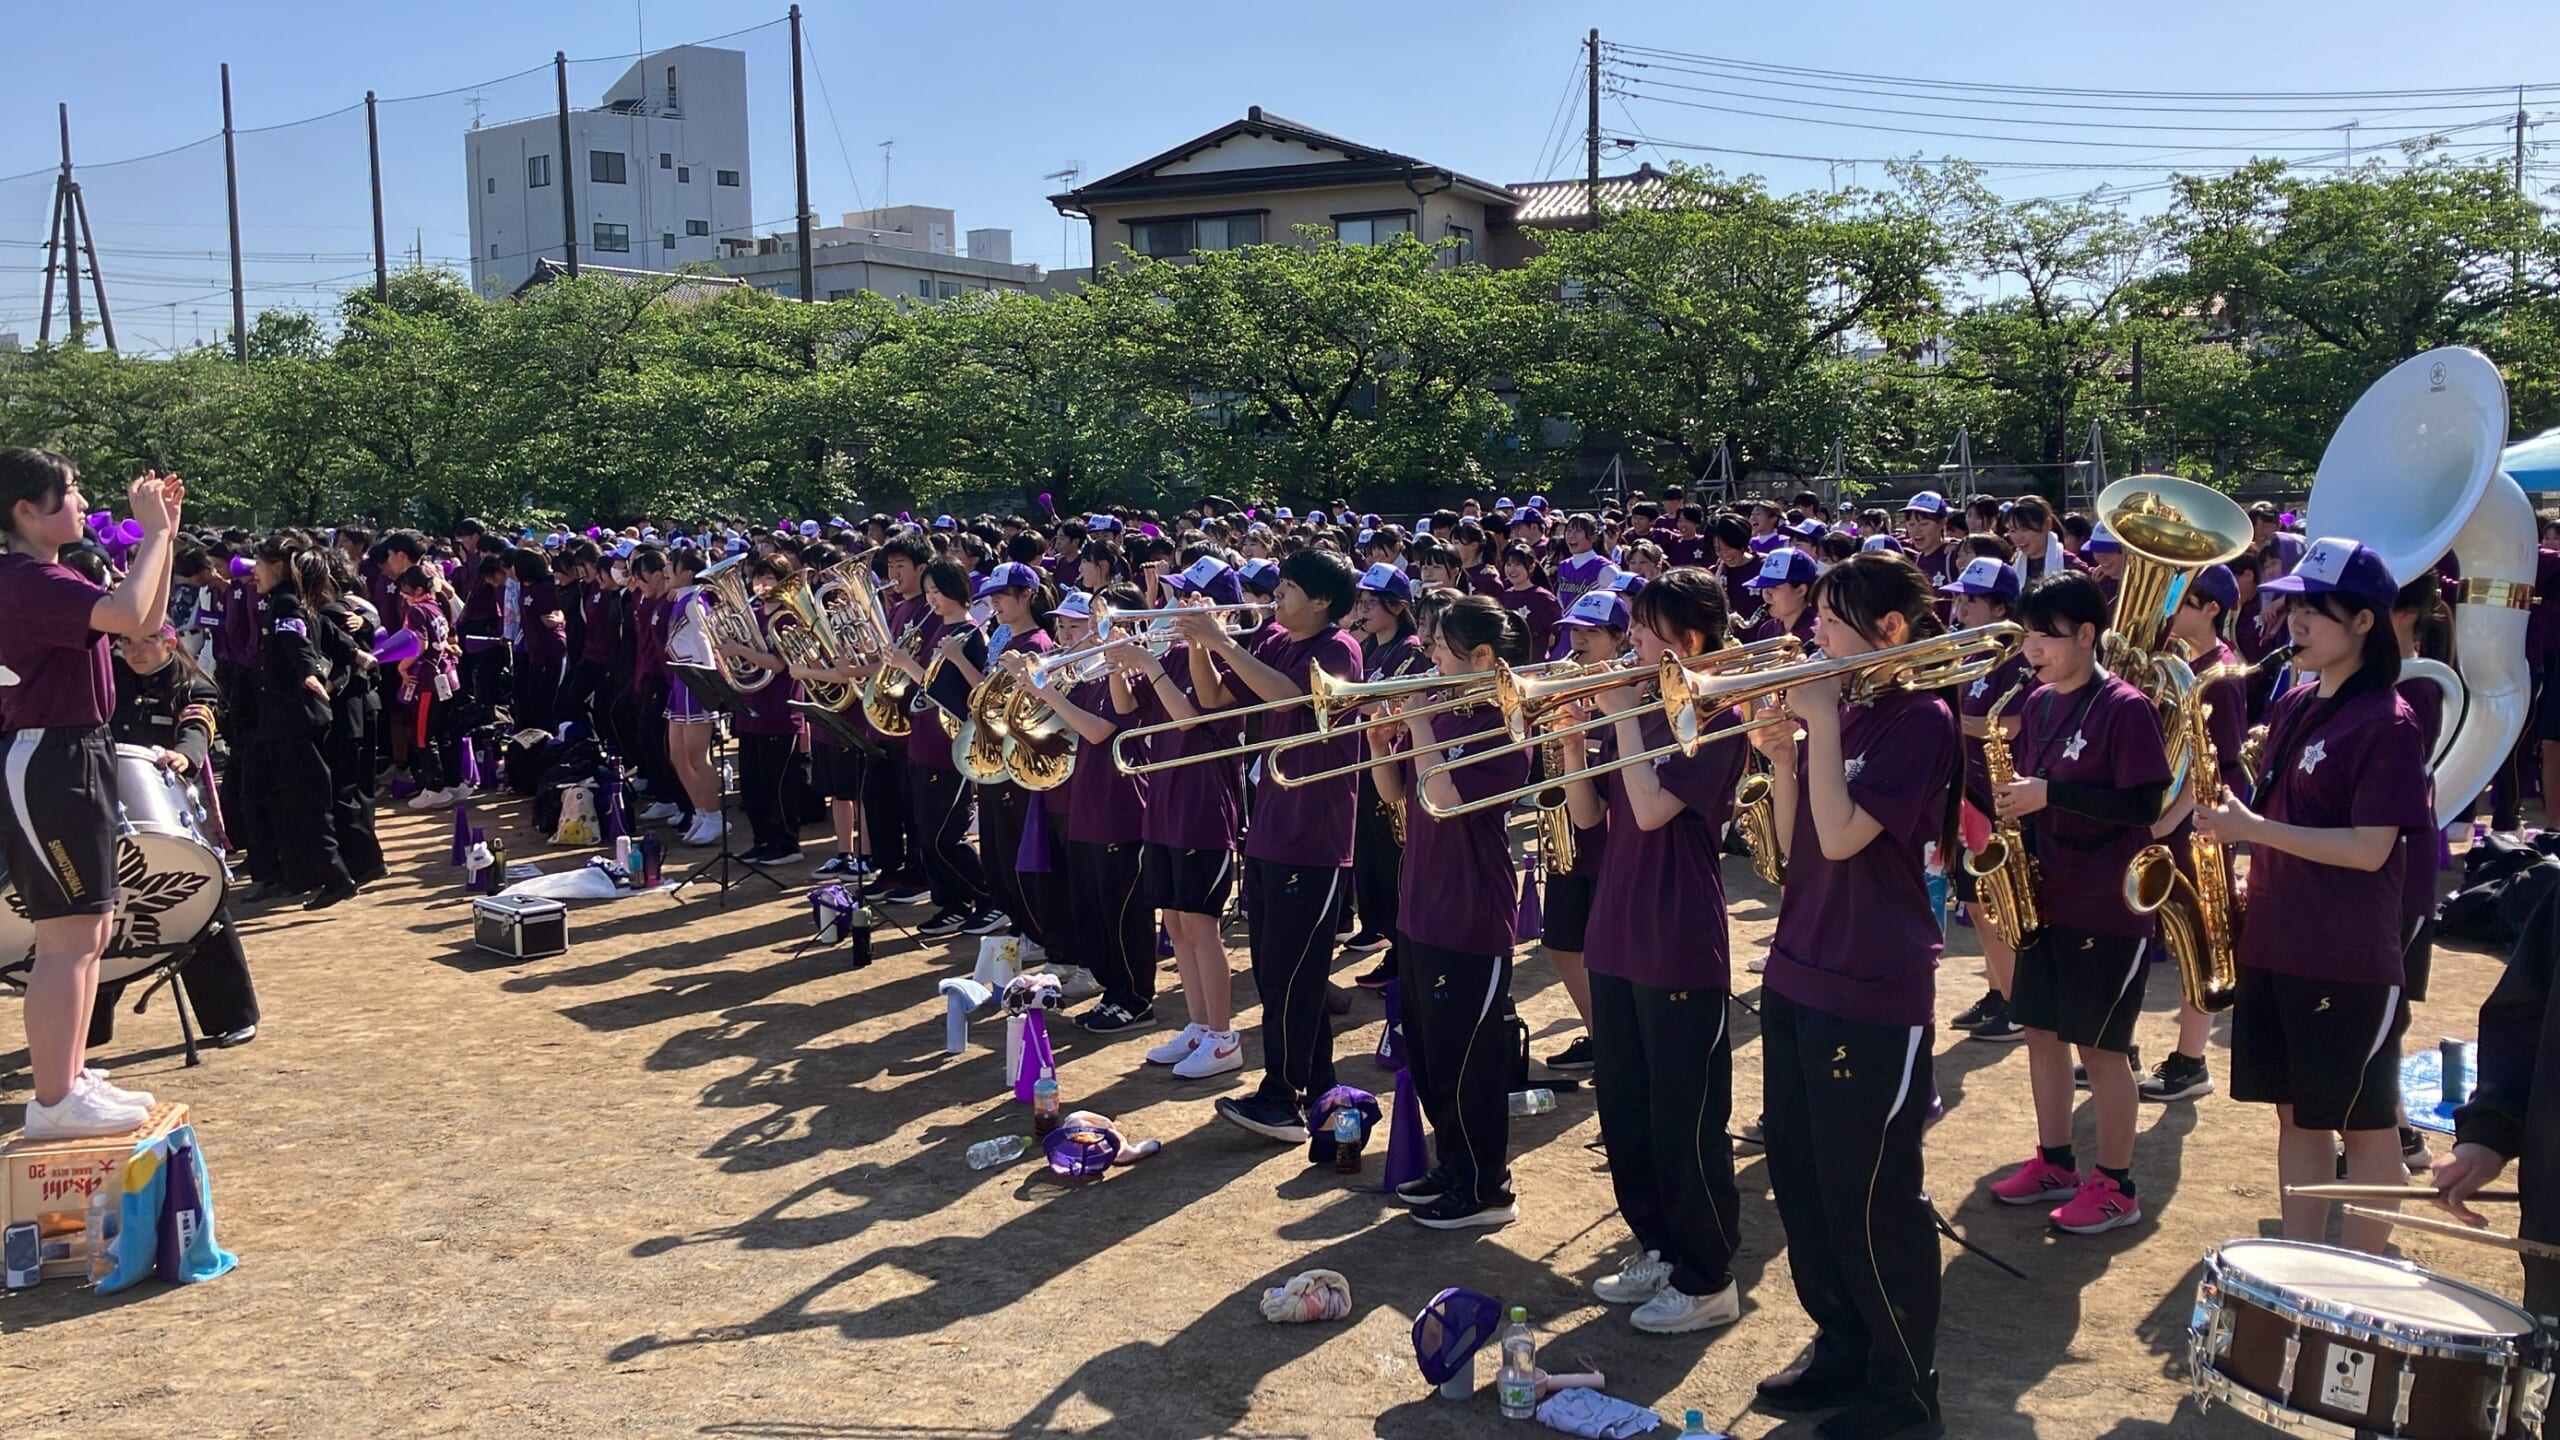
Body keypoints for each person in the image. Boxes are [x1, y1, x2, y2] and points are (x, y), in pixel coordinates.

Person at [1750, 550, 1960, 1439]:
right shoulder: (1856, 710)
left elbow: (1845, 842)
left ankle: (1905, 1388)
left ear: (1891, 632)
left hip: (1872, 978)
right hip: (1800, 964)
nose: (1810, 636)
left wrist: (1822, 722)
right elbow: (1801, 838)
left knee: (1870, 1189)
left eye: (1829, 622)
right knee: (1800, 1178)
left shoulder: (1922, 718)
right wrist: (1784, 756)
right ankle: (1842, 1343)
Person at [2199, 539, 2433, 1255]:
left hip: (2345, 954)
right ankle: (2301, 1259)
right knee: (2294, 1115)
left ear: (2364, 621)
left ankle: (2361, 1273)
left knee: (2363, 1123)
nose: (2293, 621)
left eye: (2315, 610)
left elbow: (2368, 848)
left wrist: (2252, 827)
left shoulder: (2389, 722)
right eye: (2293, 606)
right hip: (2278, 937)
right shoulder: (2299, 703)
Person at [1559, 568, 1752, 1335]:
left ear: (1689, 640)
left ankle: (1707, 1277)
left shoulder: (1716, 715)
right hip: (1616, 926)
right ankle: (1658, 1247)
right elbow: (1590, 817)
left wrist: (1621, 718)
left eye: (1642, 629)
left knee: (1685, 1119)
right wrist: (1575, 742)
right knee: (1628, 1109)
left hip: (1677, 936)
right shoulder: (1634, 710)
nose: (1628, 640)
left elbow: (1650, 807)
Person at [0, 450, 182, 1138]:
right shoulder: (29, 580)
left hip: (74, 751)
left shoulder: (44, 575)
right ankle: (54, 1101)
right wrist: (157, 536)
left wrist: (161, 534)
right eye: (69, 493)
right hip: (50, 755)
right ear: (26, 510)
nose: (81, 504)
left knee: (90, 928)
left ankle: (68, 1077)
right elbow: (130, 609)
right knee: (68, 937)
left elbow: (141, 621)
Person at [1989, 571, 2170, 1235]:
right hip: (2049, 893)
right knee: (2040, 1031)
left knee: (2101, 1047)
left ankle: (2117, 1183)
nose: (2033, 648)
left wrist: (2050, 795)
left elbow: (2145, 805)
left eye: (2048, 635)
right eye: (2028, 634)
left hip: (2106, 899)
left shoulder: (2125, 706)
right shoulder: (2036, 705)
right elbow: (2033, 793)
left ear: (2087, 634)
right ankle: (2056, 1160)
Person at [1369, 595, 1535, 1228]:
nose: (1428, 655)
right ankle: (1453, 1163)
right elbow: (1398, 797)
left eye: (1439, 647)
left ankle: (1487, 1186)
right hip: (1422, 904)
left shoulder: (1504, 722)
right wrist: (1385, 743)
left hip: (1470, 910)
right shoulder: (1442, 711)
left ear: (1483, 656)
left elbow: (1444, 800)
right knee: (1432, 1052)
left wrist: (1417, 724)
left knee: (1470, 1059)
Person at [1194, 550, 1365, 1144]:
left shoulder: (1338, 648)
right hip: (1270, 826)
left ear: (1321, 601)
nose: (1277, 597)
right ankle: (1318, 1084)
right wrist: (1197, 642)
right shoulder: (1273, 642)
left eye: (1289, 587)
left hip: (1312, 832)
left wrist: (1221, 641)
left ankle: (1280, 1095)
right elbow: (1216, 700)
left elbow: (1288, 700)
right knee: (1276, 970)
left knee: (1291, 971)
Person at [96, 625, 262, 1048]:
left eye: (146, 642)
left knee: (198, 904)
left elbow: (197, 726)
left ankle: (232, 1013)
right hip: (105, 809)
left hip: (169, 807)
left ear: (170, 643)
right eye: (125, 643)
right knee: (99, 915)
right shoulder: (107, 677)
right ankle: (87, 1029)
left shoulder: (191, 686)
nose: (134, 652)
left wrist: (184, 756)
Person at [1124, 563, 1250, 1078]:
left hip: (1204, 809)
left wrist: (1182, 649)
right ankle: (1199, 1025)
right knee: (1175, 924)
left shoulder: (1224, 662)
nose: (1172, 608)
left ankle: (1223, 1035)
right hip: (1166, 802)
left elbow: (1193, 716)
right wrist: (1118, 662)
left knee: (1201, 926)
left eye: (1185, 601)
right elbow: (1127, 707)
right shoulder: (1170, 655)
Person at [2138, 563, 2252, 1103]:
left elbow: (2213, 767)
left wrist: (2163, 821)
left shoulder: (2222, 674)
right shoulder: (2180, 662)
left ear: (2211, 609)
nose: (2171, 612)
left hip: (2197, 824)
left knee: (2198, 939)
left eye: (2183, 602)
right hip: (2170, 816)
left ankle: (2191, 1059)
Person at [1535, 589, 1634, 1078]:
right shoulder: (1566, 681)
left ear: (1620, 638)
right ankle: (1603, 1037)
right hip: (1569, 828)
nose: (1578, 641)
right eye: (1574, 631)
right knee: (1560, 940)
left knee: (1603, 947)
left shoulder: (1627, 690)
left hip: (1610, 838)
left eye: (1590, 633)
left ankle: (1617, 1044)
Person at [1941, 557, 2037, 1045]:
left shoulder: (2017, 657)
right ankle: (2000, 991)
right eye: (1960, 598)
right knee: (1977, 905)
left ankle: (2018, 999)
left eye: (1971, 600)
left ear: (2001, 606)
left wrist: (1948, 723)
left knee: (1996, 905)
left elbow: (2014, 725)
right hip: (1969, 792)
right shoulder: (1969, 651)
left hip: (2000, 798)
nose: (1961, 608)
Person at [882, 557, 993, 937]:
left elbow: (954, 695)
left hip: (949, 748)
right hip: (922, 743)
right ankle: (951, 902)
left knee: (943, 836)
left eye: (938, 592)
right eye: (928, 592)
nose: (932, 599)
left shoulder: (970, 635)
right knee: (925, 833)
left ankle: (989, 896)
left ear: (957, 592)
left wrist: (906, 665)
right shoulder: (937, 630)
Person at [1342, 564, 1428, 978]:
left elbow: (1392, 705)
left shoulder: (1411, 650)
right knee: (1369, 857)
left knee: (1391, 859)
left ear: (1395, 607)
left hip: (1392, 764)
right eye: (1361, 601)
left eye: (1370, 602)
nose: (1362, 609)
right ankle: (1375, 926)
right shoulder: (1370, 647)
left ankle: (1398, 950)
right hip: (1366, 760)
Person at [1742, 548, 1820, 646]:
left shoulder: (1818, 633)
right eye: (1763, 587)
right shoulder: (1767, 629)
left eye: (1773, 587)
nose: (1766, 594)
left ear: (1801, 590)